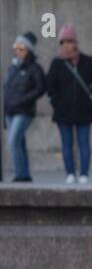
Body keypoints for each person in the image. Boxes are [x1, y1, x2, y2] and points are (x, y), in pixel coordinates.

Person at [45, 24, 92, 184]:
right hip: (63, 111)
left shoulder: (88, 61)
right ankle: (70, 172)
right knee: (66, 144)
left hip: (83, 110)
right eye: (63, 41)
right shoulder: (57, 63)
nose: (67, 44)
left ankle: (84, 173)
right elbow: (50, 85)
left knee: (84, 142)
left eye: (69, 41)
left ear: (75, 42)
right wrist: (56, 102)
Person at [3, 31, 45, 183]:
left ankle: (20, 174)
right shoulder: (12, 68)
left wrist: (23, 100)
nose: (18, 51)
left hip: (24, 111)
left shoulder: (34, 68)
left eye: (21, 48)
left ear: (28, 50)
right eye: (16, 47)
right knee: (19, 142)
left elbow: (40, 89)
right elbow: (6, 90)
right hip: (9, 111)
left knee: (13, 140)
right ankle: (25, 173)